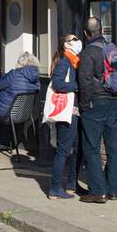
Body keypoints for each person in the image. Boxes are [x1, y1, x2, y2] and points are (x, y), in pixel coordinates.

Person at [77, 16, 117, 203]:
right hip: (116, 103)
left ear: (85, 33)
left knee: (92, 148)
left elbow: (85, 81)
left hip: (95, 104)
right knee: (114, 148)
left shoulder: (88, 53)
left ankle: (98, 191)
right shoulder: (114, 49)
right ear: (102, 30)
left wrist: (84, 106)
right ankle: (112, 189)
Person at [47, 34, 82, 198]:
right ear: (66, 45)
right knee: (63, 150)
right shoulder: (65, 62)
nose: (77, 42)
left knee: (76, 148)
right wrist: (77, 86)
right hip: (67, 113)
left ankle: (71, 184)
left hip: (73, 112)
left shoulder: (74, 62)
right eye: (73, 40)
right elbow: (57, 83)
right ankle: (55, 187)